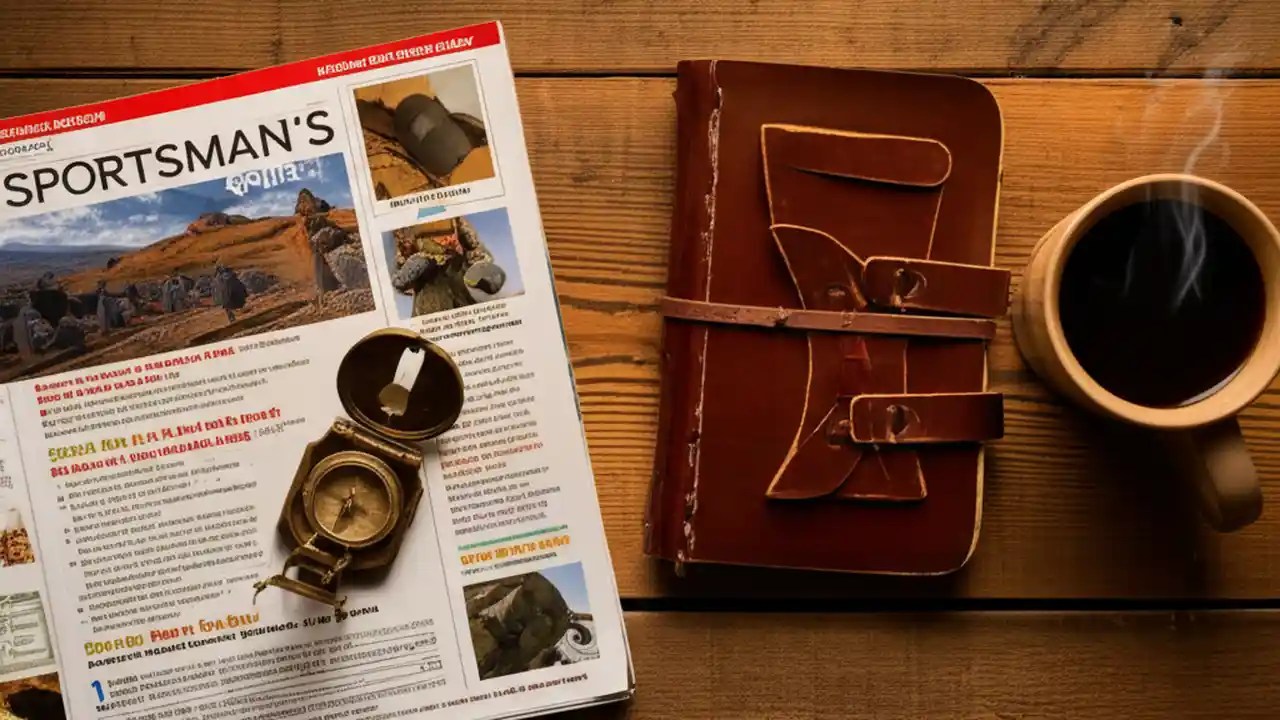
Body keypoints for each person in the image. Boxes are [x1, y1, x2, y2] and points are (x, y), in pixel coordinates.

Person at [391, 216, 506, 317]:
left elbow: (477, 251)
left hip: (463, 303)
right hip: (429, 311)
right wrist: (412, 269)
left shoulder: (454, 221)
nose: (447, 239)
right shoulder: (407, 229)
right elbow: (400, 279)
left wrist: (482, 269)